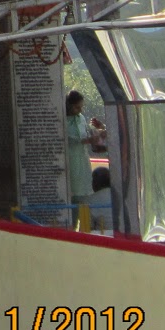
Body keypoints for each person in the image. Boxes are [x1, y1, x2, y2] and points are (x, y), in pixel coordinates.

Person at [64, 90, 107, 231]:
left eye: (81, 107)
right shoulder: (62, 119)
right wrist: (86, 140)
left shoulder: (81, 118)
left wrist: (100, 130)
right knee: (73, 202)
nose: (80, 110)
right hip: (71, 163)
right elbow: (68, 139)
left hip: (83, 164)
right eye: (77, 107)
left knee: (85, 200)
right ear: (69, 105)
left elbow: (90, 133)